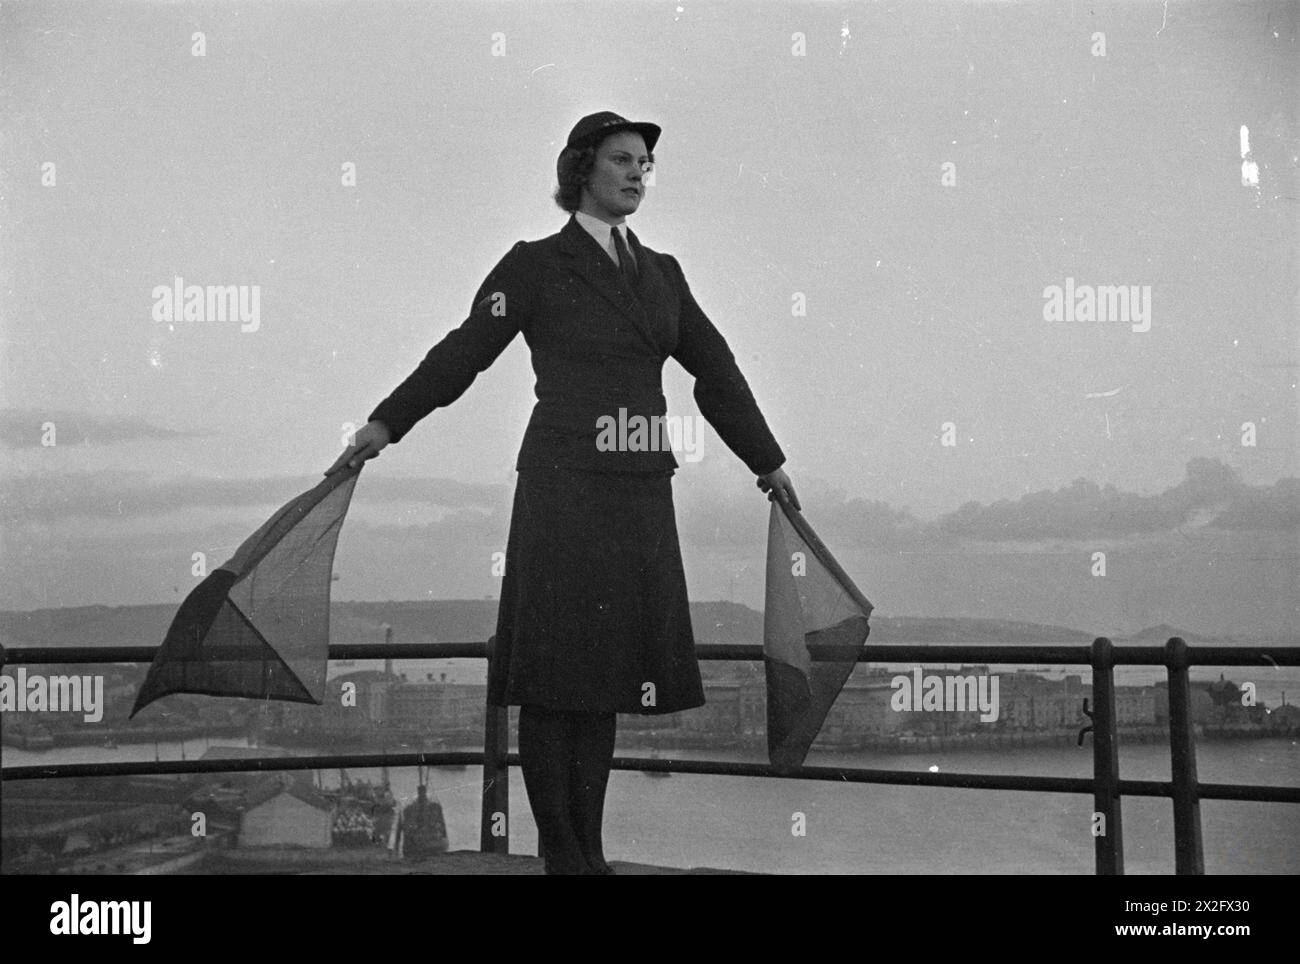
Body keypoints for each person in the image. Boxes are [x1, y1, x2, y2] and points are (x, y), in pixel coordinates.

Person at [326, 111, 799, 874]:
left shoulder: (664, 275)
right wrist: (386, 422)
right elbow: (464, 352)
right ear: (583, 168)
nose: (638, 172)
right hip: (563, 488)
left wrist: (767, 460)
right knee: (555, 677)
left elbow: (717, 372)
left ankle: (590, 850)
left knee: (608, 675)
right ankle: (563, 855)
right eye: (622, 159)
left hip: (639, 487)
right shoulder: (534, 266)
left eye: (645, 161)